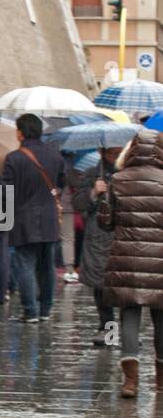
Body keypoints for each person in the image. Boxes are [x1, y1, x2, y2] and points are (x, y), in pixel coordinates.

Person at [97, 130, 163, 397]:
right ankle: (161, 380)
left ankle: (131, 382)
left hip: (126, 258)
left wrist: (104, 198)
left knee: (129, 316)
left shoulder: (119, 180)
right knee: (161, 318)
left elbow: (106, 223)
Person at [1, 114, 66, 324]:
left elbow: (6, 192)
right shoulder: (55, 156)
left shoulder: (14, 158)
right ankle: (46, 309)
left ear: (20, 132)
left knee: (25, 265)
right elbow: (61, 184)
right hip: (49, 220)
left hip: (23, 219)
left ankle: (30, 311)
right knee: (47, 266)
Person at [71, 147, 121, 348]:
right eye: (112, 153)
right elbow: (78, 204)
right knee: (101, 285)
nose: (116, 158)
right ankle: (108, 327)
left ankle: (128, 330)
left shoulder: (131, 173)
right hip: (99, 236)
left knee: (125, 286)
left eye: (119, 153)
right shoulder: (92, 173)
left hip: (124, 235)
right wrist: (94, 192)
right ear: (103, 152)